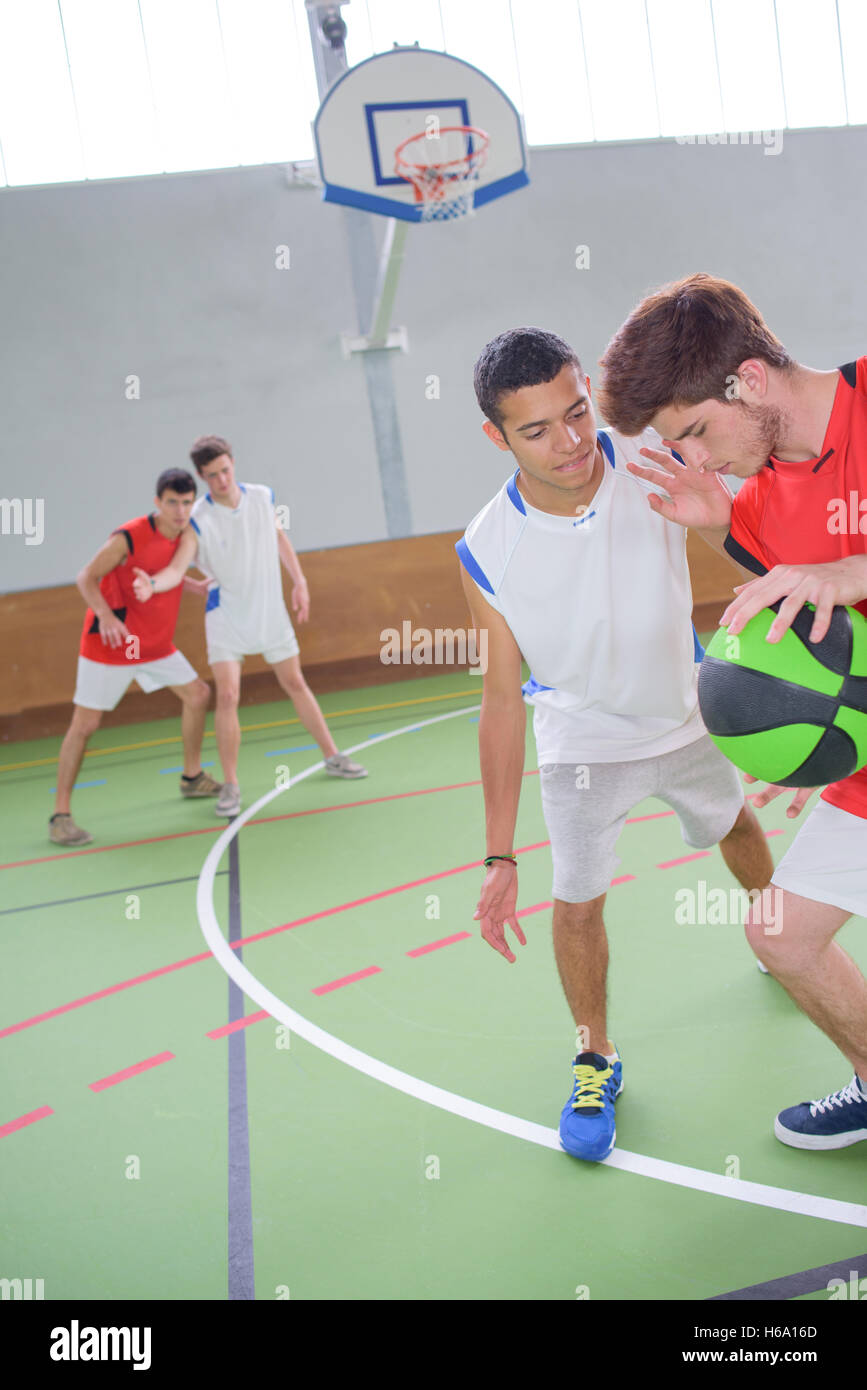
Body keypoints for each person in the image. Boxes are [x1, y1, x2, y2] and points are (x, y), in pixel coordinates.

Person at [457, 327, 774, 1162]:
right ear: (496, 437)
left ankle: (778, 935)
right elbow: (498, 698)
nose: (567, 443)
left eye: (575, 411)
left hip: (685, 715)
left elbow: (743, 550)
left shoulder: (650, 463)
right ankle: (594, 1055)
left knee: (735, 826)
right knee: (578, 903)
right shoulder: (487, 546)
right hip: (580, 744)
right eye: (535, 430)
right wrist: (497, 856)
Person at [596, 271, 867, 1150]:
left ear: (748, 379)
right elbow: (805, 642)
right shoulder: (757, 493)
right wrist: (717, 525)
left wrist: (849, 570)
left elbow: (836, 577)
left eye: (695, 433)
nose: (698, 458)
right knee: (779, 935)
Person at [132, 436, 366, 818]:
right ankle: (231, 786)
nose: (222, 480)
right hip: (225, 616)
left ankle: (333, 756)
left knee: (295, 683)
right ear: (202, 477)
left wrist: (300, 581)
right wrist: (153, 583)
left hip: (270, 611)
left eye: (226, 470)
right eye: (212, 475)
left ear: (233, 464)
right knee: (227, 697)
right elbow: (177, 569)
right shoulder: (198, 520)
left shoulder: (260, 496)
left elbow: (278, 538)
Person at [50, 468, 220, 846]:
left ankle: (192, 777)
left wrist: (190, 584)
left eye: (186, 502)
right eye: (172, 503)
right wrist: (106, 616)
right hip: (112, 643)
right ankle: (60, 815)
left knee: (198, 695)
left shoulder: (187, 533)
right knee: (85, 725)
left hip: (154, 645)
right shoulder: (128, 537)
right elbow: (85, 577)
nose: (180, 510)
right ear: (158, 502)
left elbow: (170, 572)